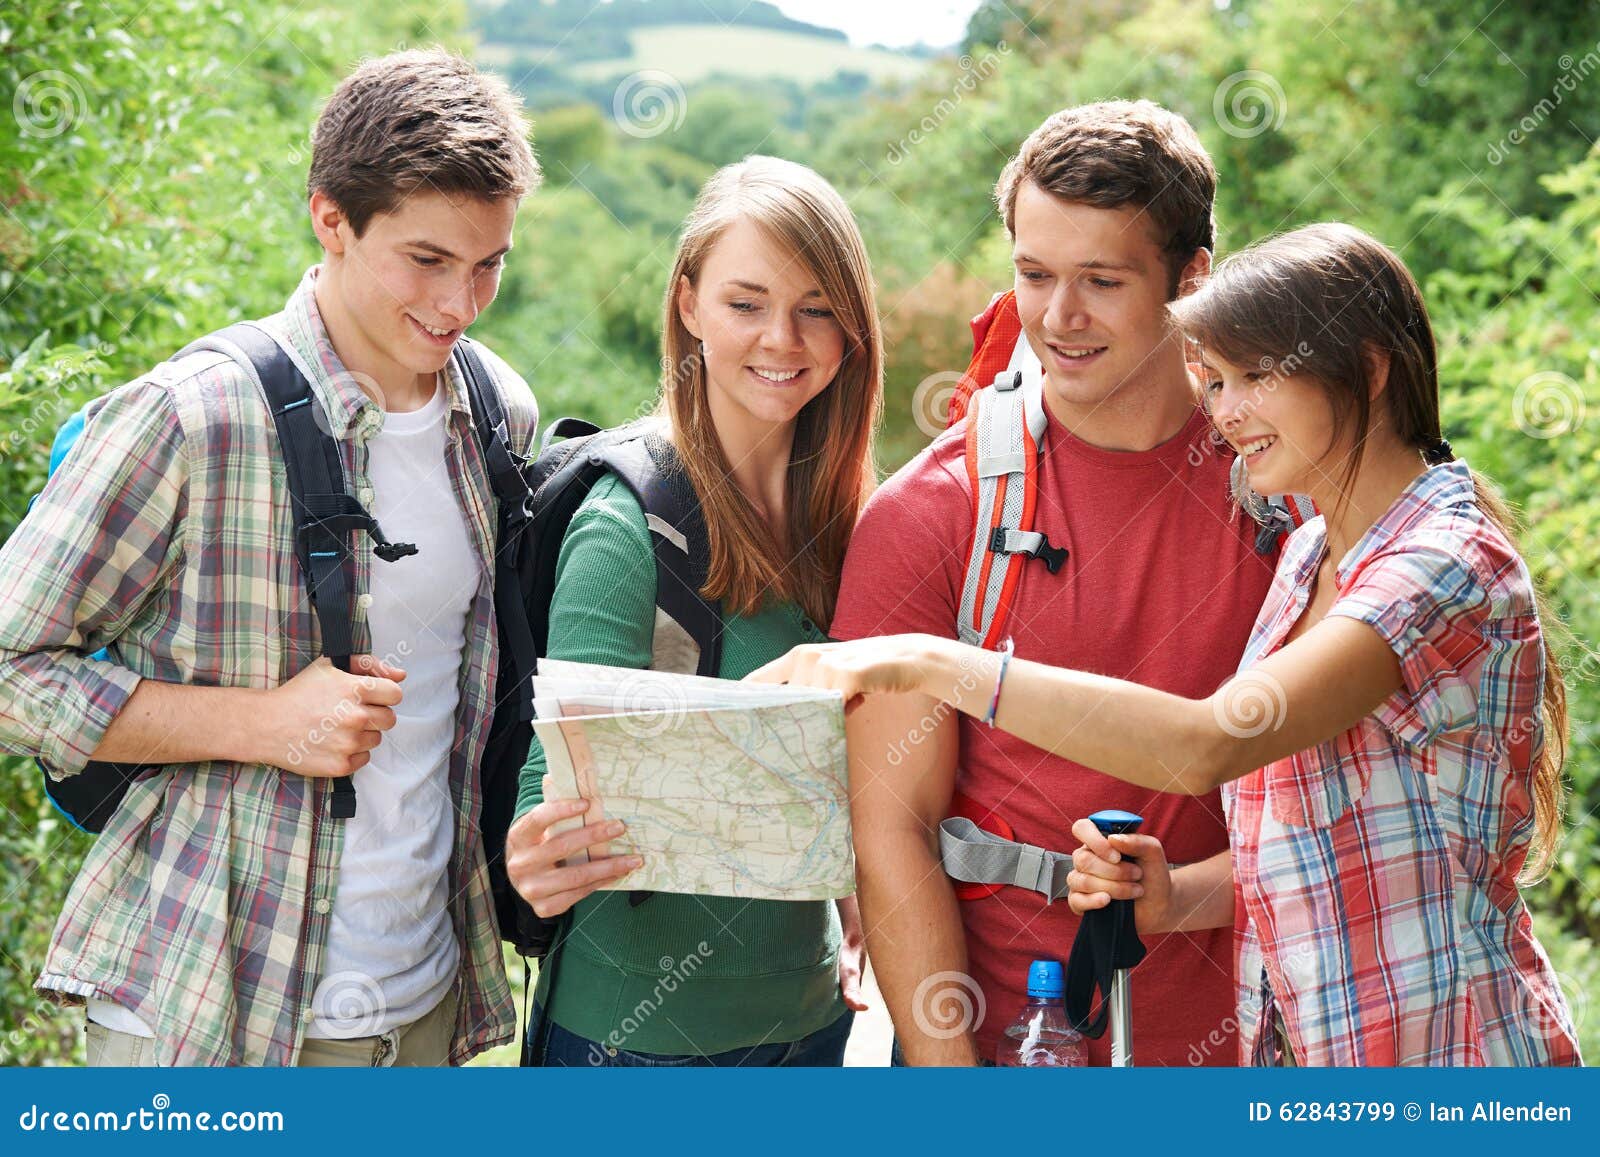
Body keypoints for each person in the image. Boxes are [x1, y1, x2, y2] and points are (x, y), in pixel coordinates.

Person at [754, 222, 1583, 1067]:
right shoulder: (1310, 552)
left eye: (1257, 376)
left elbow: (1209, 742)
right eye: (1216, 380)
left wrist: (924, 659)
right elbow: (1332, 836)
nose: (1226, 413)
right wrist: (1174, 896)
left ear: (1368, 367)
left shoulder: (1443, 566)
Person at [0, 49, 541, 1066]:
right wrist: (261, 723)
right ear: (330, 218)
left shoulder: (494, 408)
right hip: (209, 1009)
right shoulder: (190, 417)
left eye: (489, 264)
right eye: (426, 260)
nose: (460, 304)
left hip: (425, 1001)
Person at [797, 101, 1281, 1066]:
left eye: (1101, 280)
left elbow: (1338, 808)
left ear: (1193, 280)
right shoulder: (936, 511)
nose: (1059, 318)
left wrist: (1186, 894)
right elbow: (891, 826)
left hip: (1256, 1047)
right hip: (1010, 1049)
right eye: (1034, 274)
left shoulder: (1282, 495)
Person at [504, 155, 883, 1067]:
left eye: (817, 307)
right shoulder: (629, 522)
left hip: (811, 1022)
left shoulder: (853, 523)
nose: (781, 339)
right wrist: (538, 856)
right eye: (745, 303)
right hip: (636, 1041)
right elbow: (544, 787)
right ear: (688, 306)